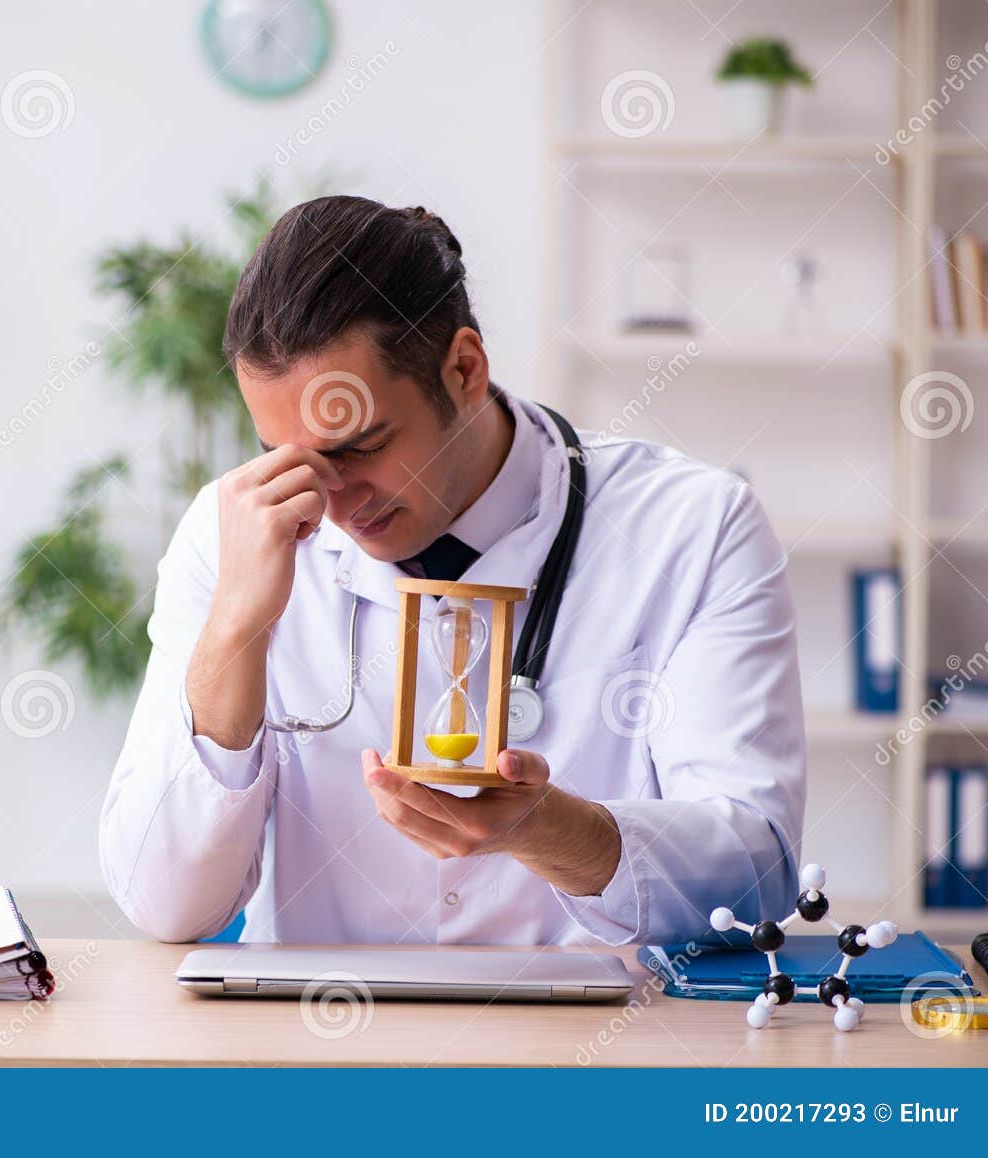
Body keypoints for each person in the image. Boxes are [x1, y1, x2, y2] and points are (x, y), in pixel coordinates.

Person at [99, 195, 805, 947]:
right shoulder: (230, 536)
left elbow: (757, 878)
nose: (329, 501)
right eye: (290, 456)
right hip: (319, 1050)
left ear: (464, 368)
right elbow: (167, 906)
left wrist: (552, 831)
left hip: (589, 1058)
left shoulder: (692, 528)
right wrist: (237, 625)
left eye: (361, 446)